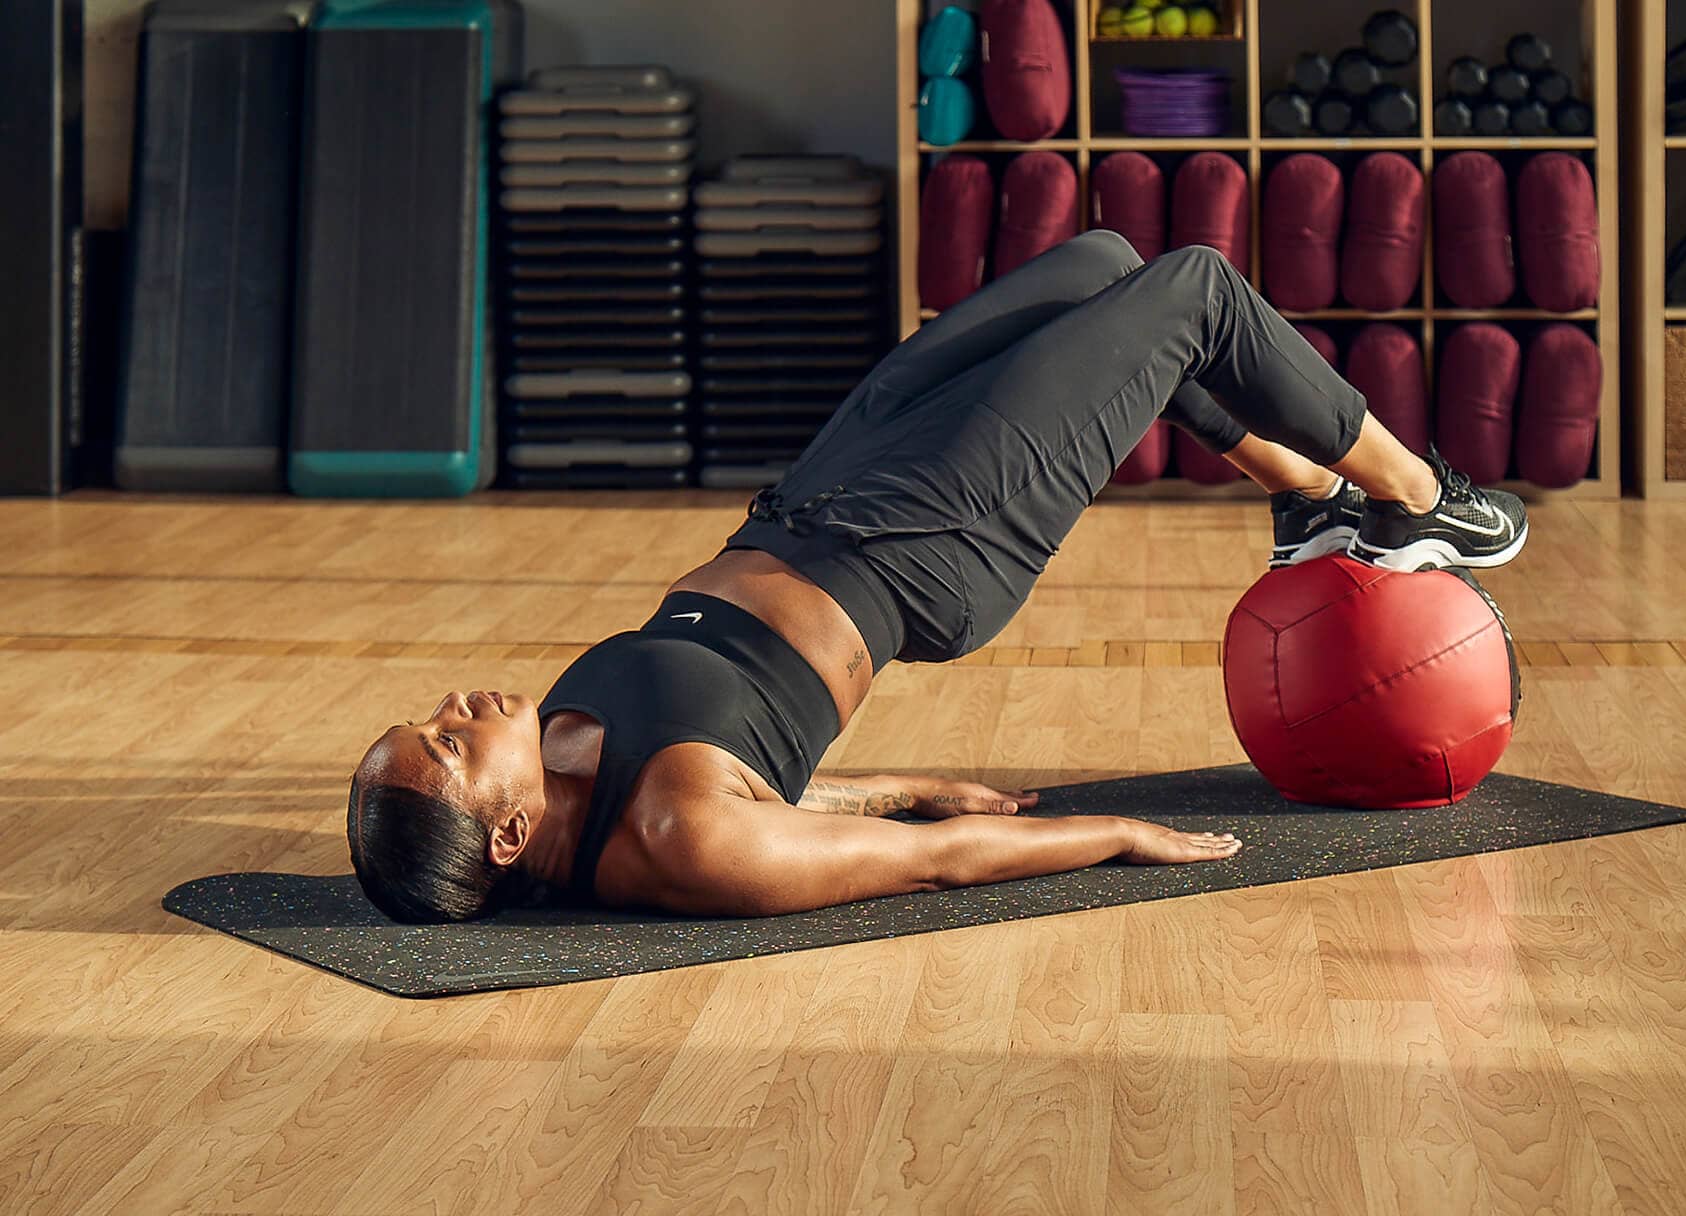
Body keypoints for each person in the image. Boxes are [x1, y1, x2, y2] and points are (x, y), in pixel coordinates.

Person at [348, 231, 1528, 923]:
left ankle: (1309, 494)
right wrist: (1114, 833)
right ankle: (1422, 499)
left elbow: (777, 789)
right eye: (447, 744)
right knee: (1193, 290)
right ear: (509, 834)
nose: (453, 707)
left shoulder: (563, 764)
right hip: (928, 542)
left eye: (428, 720)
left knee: (1102, 266)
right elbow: (931, 862)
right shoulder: (681, 841)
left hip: (822, 494)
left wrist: (907, 783)